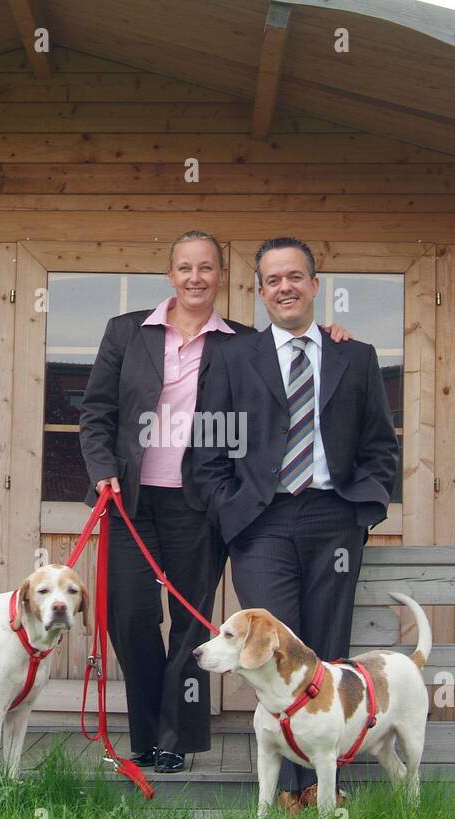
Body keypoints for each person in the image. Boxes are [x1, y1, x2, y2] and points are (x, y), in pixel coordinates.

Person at [78, 230, 351, 773]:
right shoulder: (126, 332)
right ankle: (146, 732)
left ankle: (175, 740)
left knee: (189, 623)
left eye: (206, 268)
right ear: (170, 274)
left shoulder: (242, 343)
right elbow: (96, 414)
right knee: (130, 618)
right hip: (129, 501)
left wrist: (331, 335)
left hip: (199, 505)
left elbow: (293, 360)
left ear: (221, 277)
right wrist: (104, 471)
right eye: (185, 268)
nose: (195, 278)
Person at [191, 236, 399, 808]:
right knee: (270, 655)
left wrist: (365, 509)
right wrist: (227, 510)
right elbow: (209, 445)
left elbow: (381, 444)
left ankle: (320, 789)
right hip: (262, 522)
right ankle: (285, 791)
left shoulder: (354, 357)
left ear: (314, 284)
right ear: (260, 291)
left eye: (295, 277)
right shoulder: (233, 358)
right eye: (273, 279)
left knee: (325, 654)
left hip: (334, 519)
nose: (285, 287)